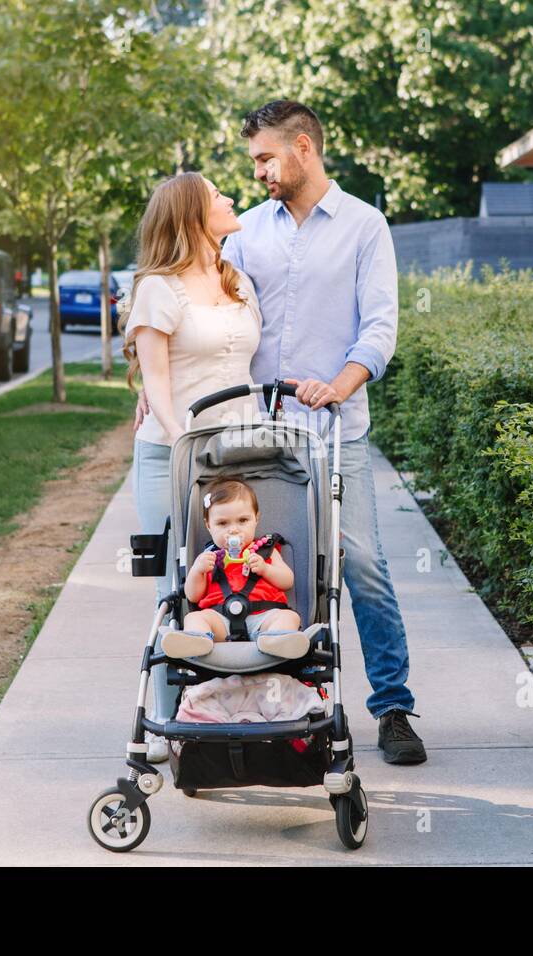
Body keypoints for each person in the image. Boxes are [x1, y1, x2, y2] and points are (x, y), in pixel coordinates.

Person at [137, 100, 427, 765]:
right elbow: (189, 305)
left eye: (265, 158)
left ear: (302, 147)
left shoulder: (365, 226)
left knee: (363, 567)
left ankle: (393, 708)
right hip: (256, 438)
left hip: (332, 431)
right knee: (269, 578)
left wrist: (341, 384)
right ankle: (275, 706)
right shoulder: (245, 234)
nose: (258, 171)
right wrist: (149, 386)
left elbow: (380, 328)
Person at [120, 171, 263, 763]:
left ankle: (235, 712)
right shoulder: (158, 289)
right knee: (178, 588)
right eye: (216, 197)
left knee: (242, 581)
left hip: (242, 457)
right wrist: (187, 446)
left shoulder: (238, 281)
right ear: (189, 216)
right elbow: (157, 382)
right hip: (173, 459)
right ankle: (165, 724)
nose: (230, 200)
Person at [162, 476, 308, 661]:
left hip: (263, 617)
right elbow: (193, 596)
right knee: (194, 618)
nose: (233, 530)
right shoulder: (208, 558)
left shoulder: (266, 551)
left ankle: (276, 640)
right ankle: (197, 640)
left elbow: (288, 581)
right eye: (223, 523)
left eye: (242, 520)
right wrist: (197, 571)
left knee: (289, 617)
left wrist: (265, 569)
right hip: (220, 620)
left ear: (256, 519)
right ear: (209, 525)